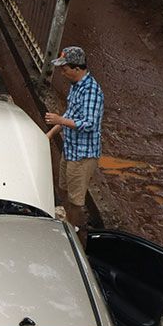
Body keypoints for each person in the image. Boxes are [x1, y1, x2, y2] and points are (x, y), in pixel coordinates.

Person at [44, 46, 104, 219]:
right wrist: (50, 134)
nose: (62, 73)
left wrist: (60, 120)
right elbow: (71, 114)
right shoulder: (76, 86)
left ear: (77, 68)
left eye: (65, 69)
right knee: (63, 189)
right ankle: (68, 221)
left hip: (82, 156)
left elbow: (89, 124)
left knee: (76, 202)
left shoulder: (91, 91)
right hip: (70, 150)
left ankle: (78, 233)